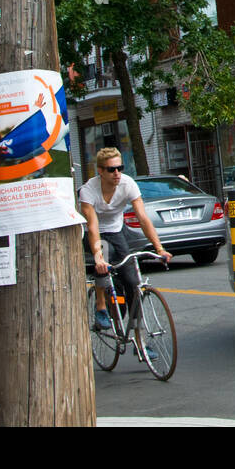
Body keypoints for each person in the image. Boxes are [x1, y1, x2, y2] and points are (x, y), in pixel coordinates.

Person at [80, 148, 172, 356]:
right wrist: (98, 258)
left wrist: (159, 248)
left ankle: (140, 344)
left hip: (117, 231)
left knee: (133, 285)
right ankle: (101, 307)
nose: (117, 173)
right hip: (95, 234)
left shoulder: (128, 184)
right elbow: (93, 227)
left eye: (120, 168)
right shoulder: (88, 190)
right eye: (112, 169)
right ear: (100, 171)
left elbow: (142, 218)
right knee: (102, 257)